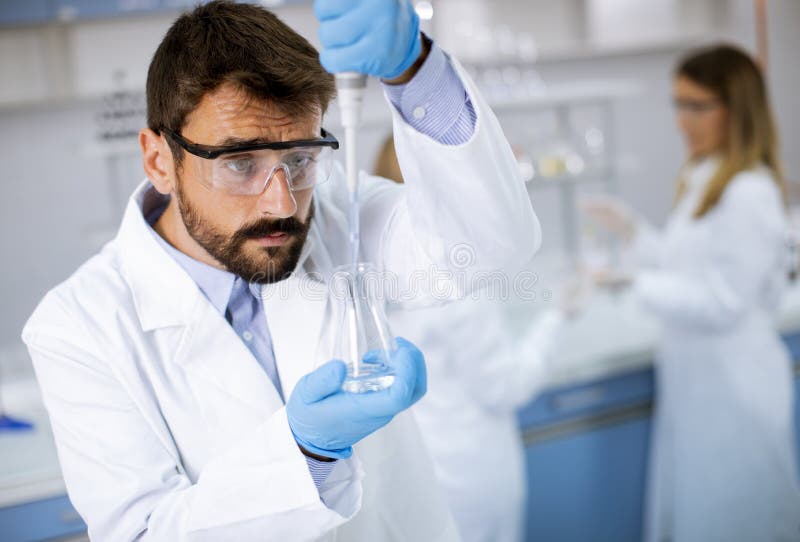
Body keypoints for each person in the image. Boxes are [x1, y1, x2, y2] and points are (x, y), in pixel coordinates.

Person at [21, 1, 542, 540]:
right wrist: (306, 454)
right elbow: (142, 533)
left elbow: (488, 247)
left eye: (299, 159)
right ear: (159, 161)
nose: (282, 204)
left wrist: (416, 72)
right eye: (240, 164)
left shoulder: (337, 215)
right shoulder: (77, 328)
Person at [582, 44, 800, 541]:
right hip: (701, 385)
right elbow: (689, 266)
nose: (682, 120)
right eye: (678, 104)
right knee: (703, 514)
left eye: (696, 106)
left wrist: (635, 282)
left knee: (736, 518)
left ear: (735, 108)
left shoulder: (750, 193)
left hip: (735, 390)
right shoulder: (705, 176)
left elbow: (724, 301)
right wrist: (634, 232)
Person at [375, 136, 586, 542]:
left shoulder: (384, 267)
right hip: (472, 479)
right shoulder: (458, 278)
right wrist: (558, 316)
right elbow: (505, 387)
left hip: (416, 475)